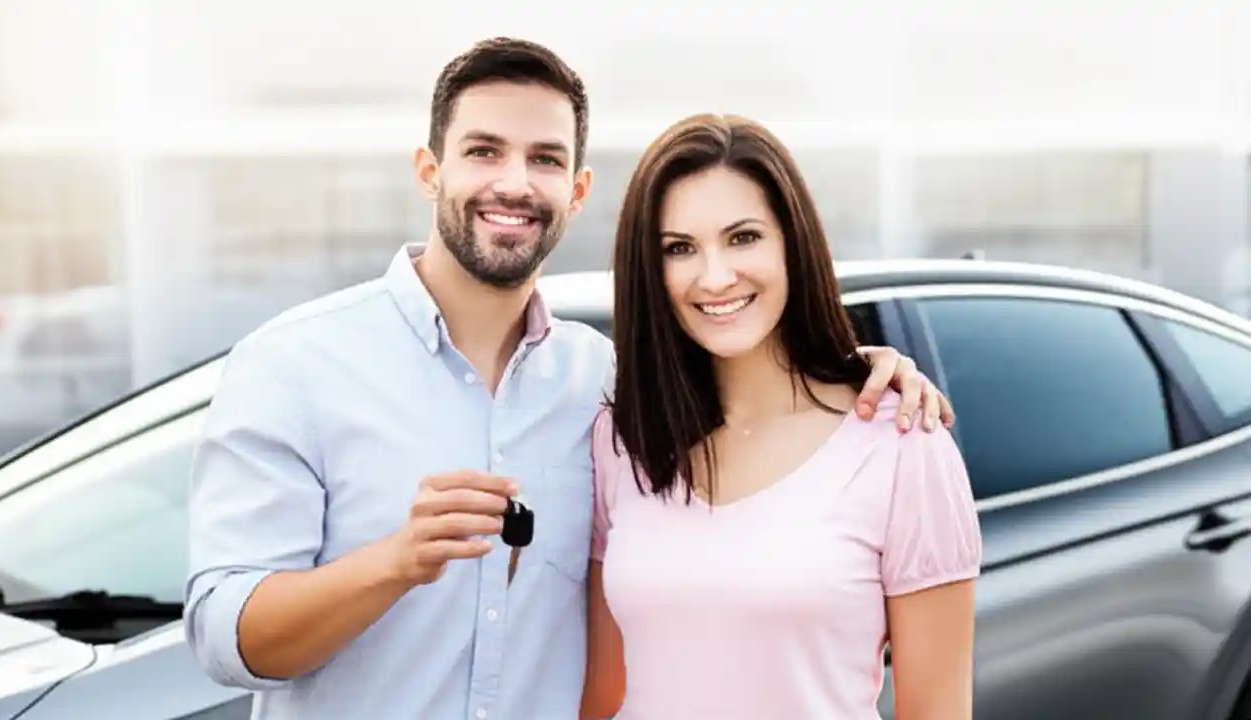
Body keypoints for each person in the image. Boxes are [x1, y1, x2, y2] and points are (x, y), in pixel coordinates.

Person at [184, 38, 952, 720]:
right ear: (429, 171)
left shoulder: (607, 392)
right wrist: (394, 563)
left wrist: (867, 372)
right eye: (483, 151)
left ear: (577, 192)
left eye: (545, 158)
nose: (514, 182)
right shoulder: (293, 366)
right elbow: (222, 639)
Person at [580, 114, 983, 720]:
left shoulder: (901, 445)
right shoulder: (622, 442)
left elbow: (936, 711)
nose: (715, 276)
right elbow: (601, 698)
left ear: (792, 242)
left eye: (742, 237)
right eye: (680, 248)